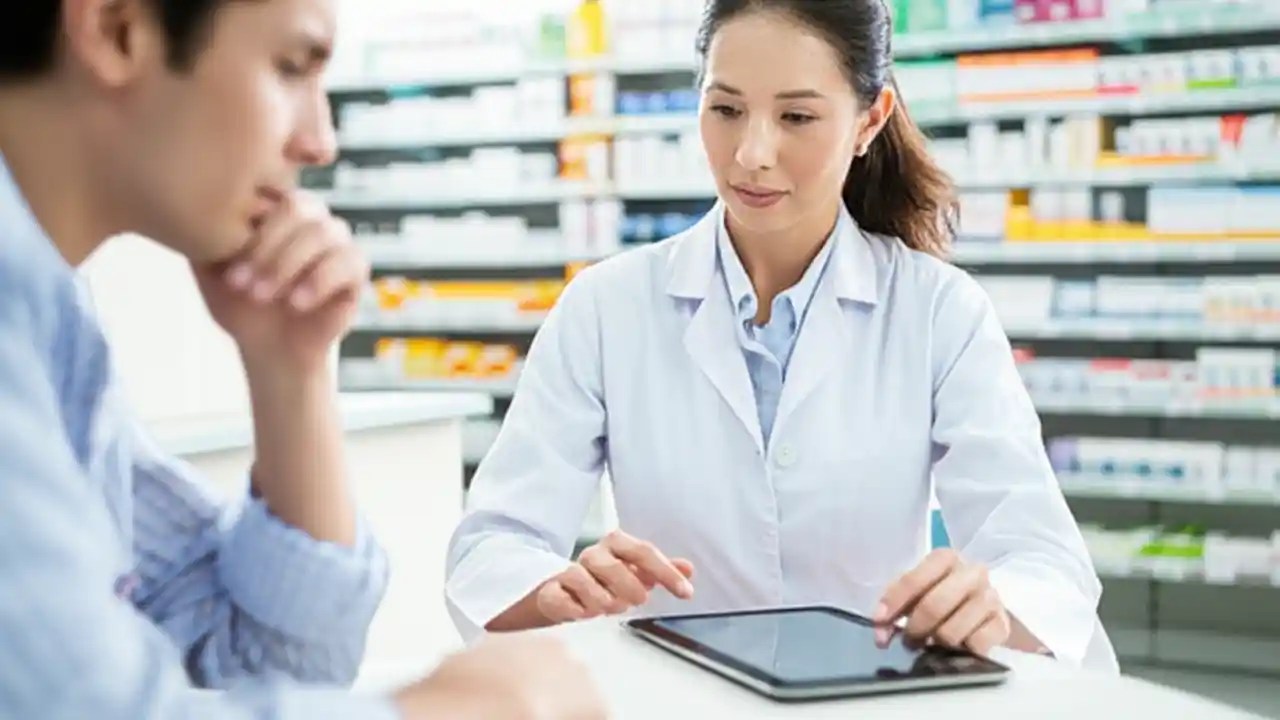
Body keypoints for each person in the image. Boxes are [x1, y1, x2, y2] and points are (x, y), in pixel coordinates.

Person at [446, 0, 1117, 671]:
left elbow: (1045, 561)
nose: (751, 154)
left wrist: (989, 600)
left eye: (796, 116)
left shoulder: (939, 311)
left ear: (869, 120)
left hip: (871, 698)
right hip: (673, 701)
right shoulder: (605, 306)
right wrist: (557, 591)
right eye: (726, 109)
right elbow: (494, 545)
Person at [0, 1, 604, 718]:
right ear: (115, 30)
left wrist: (290, 369)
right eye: (291, 67)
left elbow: (266, 658)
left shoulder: (53, 320)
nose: (321, 142)